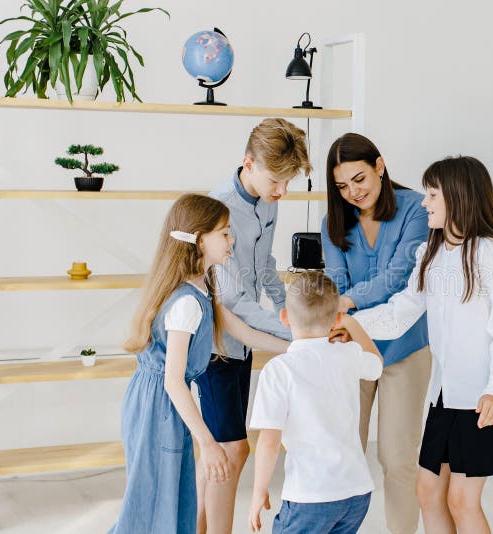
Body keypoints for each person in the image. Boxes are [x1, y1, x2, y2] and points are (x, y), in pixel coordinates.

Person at [351, 156, 493, 534]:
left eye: (432, 193)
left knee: (462, 501)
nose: (424, 202)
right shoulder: (430, 254)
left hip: (482, 401)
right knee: (428, 493)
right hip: (443, 398)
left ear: (458, 197)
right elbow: (402, 311)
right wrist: (351, 324)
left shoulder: (492, 255)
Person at [108, 194, 289, 534]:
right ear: (199, 239)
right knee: (153, 498)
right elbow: (173, 381)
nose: (232, 240)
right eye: (224, 233)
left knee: (171, 493)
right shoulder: (186, 304)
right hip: (157, 405)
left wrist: (296, 348)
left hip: (159, 401)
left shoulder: (203, 285)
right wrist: (207, 443)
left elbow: (244, 333)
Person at [197, 118, 312, 534]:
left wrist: (290, 312)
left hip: (244, 345)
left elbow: (265, 270)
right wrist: (298, 333)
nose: (281, 191)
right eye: (275, 180)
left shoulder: (270, 202)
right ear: (248, 162)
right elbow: (234, 300)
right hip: (215, 345)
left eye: (287, 182)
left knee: (223, 450)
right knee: (232, 449)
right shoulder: (218, 208)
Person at [321, 133, 431, 534]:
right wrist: (340, 305)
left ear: (380, 166)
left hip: (405, 348)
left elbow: (399, 278)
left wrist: (346, 304)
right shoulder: (333, 222)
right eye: (342, 186)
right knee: (344, 451)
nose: (353, 192)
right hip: (352, 349)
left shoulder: (417, 210)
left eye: (360, 179)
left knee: (397, 459)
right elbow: (335, 280)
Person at [247, 272, 383, 534]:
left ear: (284, 317)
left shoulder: (279, 370)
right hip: (356, 493)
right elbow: (376, 365)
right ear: (337, 319)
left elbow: (269, 441)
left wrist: (258, 493)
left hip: (311, 496)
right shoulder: (348, 354)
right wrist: (352, 325)